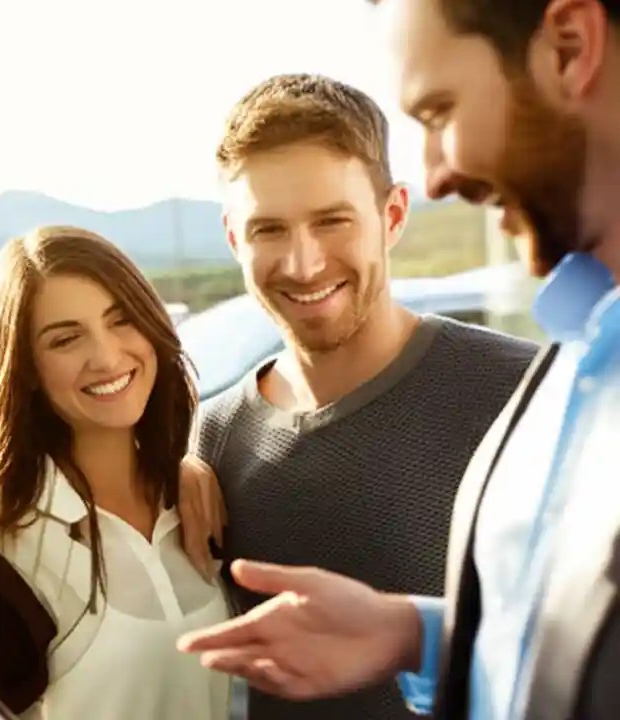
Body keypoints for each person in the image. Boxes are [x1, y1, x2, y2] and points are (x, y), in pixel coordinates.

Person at [178, 1, 620, 718]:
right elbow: (560, 646)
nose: (301, 260)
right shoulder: (210, 444)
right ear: (234, 239)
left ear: (391, 216)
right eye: (269, 229)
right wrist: (411, 634)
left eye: (441, 111)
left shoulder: (527, 389)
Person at [0, 226, 230, 719]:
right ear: (26, 368)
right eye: (65, 339)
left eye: (122, 320)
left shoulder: (195, 493)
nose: (106, 357)